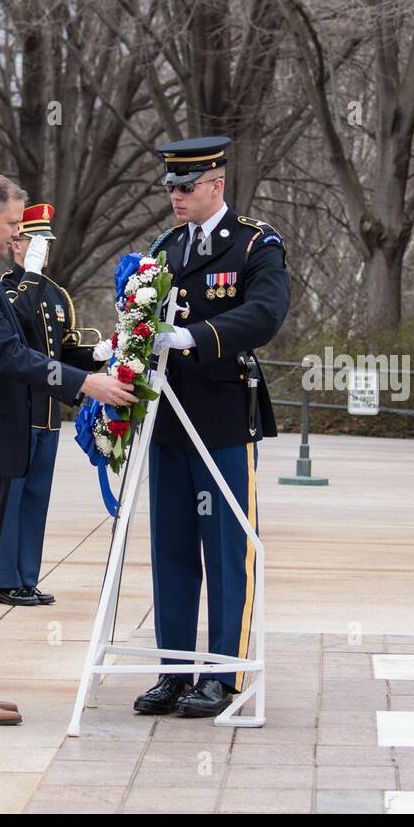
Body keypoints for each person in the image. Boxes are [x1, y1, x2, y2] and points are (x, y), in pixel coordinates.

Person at [0, 174, 137, 726]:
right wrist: (88, 385)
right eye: (13, 223)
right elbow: (7, 355)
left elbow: (27, 349)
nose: (19, 234)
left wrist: (104, 361)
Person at [131, 136, 291, 718]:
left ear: (216, 184)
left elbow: (265, 312)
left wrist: (195, 336)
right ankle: (174, 668)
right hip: (169, 415)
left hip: (222, 415)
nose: (175, 196)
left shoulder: (254, 244)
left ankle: (225, 673)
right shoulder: (166, 248)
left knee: (227, 548)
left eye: (186, 186)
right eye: (170, 186)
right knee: (171, 547)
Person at [0, 203, 105, 607]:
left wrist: (100, 355)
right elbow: (12, 325)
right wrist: (32, 276)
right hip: (16, 412)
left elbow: (64, 349)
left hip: (47, 413)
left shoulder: (57, 294)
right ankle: (6, 581)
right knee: (13, 499)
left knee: (37, 498)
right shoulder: (6, 286)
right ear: (15, 243)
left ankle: (28, 577)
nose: (42, 248)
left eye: (45, 242)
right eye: (33, 241)